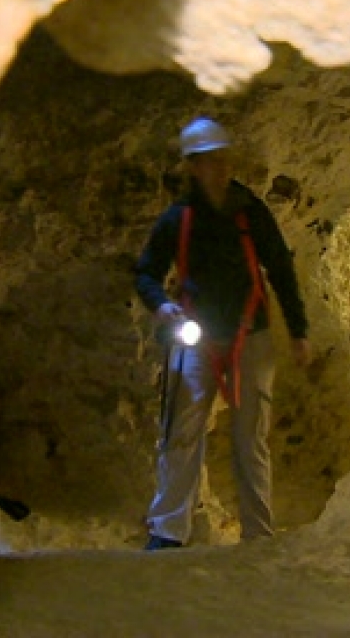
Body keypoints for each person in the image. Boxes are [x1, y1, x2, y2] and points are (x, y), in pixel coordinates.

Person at [134, 117, 311, 550]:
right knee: (181, 431)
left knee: (251, 437)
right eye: (209, 160)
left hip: (251, 333)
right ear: (193, 166)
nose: (218, 167)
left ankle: (258, 533)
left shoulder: (250, 213)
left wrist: (298, 330)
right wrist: (161, 305)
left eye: (222, 159)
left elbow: (280, 268)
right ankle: (168, 529)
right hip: (197, 335)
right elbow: (146, 273)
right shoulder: (179, 218)